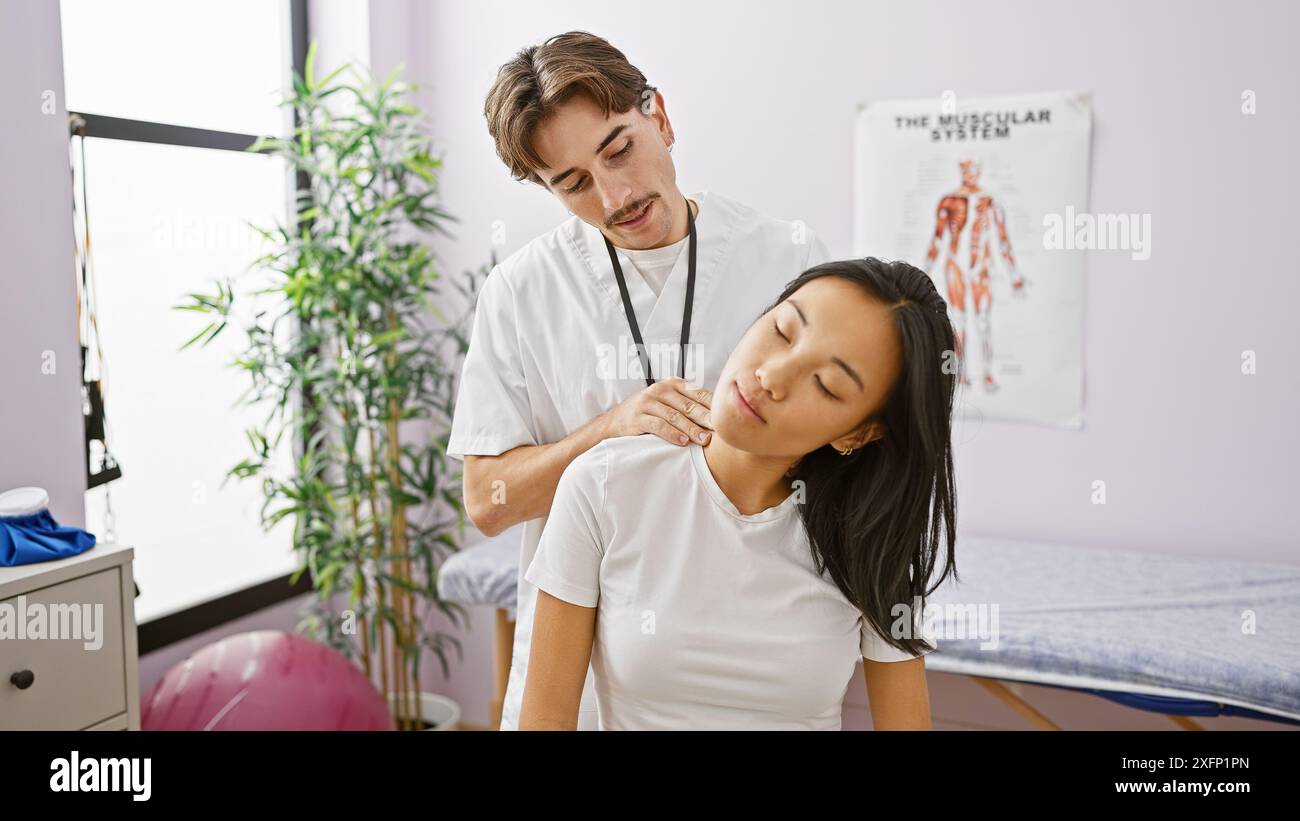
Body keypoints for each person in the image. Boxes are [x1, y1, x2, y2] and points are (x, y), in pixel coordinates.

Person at [447, 30, 832, 731]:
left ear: (660, 116)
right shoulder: (520, 292)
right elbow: (488, 500)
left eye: (619, 148)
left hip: (753, 660)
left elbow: (848, 447)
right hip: (582, 681)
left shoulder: (789, 258)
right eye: (573, 184)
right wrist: (610, 429)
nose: (615, 194)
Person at [519, 258, 958, 730]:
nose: (770, 376)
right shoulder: (604, 485)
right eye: (784, 331)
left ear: (858, 434)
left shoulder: (871, 538)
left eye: (826, 384)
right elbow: (546, 719)